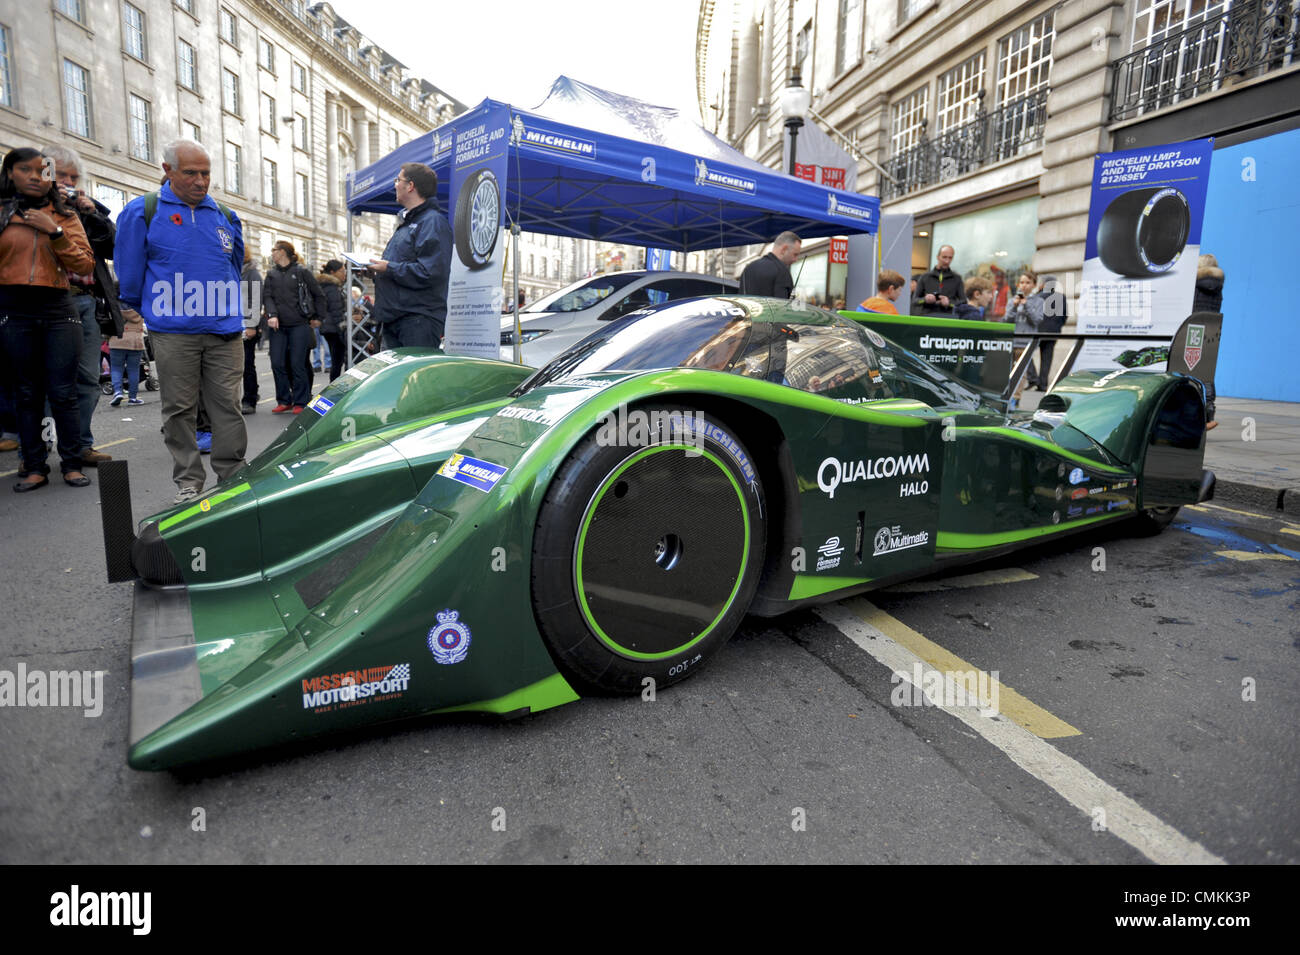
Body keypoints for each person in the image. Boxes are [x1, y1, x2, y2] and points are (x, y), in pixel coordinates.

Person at [114, 138, 247, 504]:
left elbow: (233, 267)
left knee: (227, 406)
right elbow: (129, 267)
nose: (200, 181)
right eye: (191, 173)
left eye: (205, 173)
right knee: (178, 409)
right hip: (173, 331)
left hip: (224, 329)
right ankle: (188, 480)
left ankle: (233, 476)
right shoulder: (143, 211)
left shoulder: (226, 215)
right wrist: (134, 309)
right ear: (168, 170)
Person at [0, 147, 96, 491]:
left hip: (57, 308)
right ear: (10, 173)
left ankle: (71, 464)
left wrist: (54, 231)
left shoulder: (64, 214)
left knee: (63, 392)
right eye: (24, 169)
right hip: (14, 309)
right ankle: (35, 466)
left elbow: (85, 265)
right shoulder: (2, 213)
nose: (33, 175)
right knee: (26, 393)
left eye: (41, 170)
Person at [46, 144, 122, 467]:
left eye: (74, 177)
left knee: (89, 379)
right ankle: (35, 450)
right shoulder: (28, 206)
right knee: (45, 379)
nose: (68, 181)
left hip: (87, 303)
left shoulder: (86, 209)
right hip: (48, 303)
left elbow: (114, 244)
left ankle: (79, 446)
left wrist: (91, 212)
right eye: (61, 174)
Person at [370, 162, 452, 348]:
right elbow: (401, 270)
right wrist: (375, 271)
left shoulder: (433, 223)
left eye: (398, 180)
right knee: (396, 378)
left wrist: (388, 268)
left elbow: (429, 272)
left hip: (416, 321)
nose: (395, 185)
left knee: (417, 378)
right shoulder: (406, 225)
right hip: (395, 318)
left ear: (411, 186)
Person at [263, 240, 326, 412]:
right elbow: (267, 297)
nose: (272, 253)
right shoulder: (271, 274)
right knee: (277, 363)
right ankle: (284, 400)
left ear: (283, 252)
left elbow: (318, 295)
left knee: (297, 363)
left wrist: (318, 317)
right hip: (278, 326)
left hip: (299, 324)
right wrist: (272, 315)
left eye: (274, 250)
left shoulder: (301, 271)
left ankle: (301, 401)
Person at [1193, 253, 1223, 429]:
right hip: (1212, 333)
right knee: (1207, 374)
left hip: (1192, 332)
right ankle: (1208, 414)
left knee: (1188, 371)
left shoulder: (1195, 285)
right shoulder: (1218, 287)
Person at [1005, 271, 1043, 402]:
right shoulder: (1012, 300)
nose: (1024, 285)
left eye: (1028, 282)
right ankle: (1006, 395)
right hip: (1012, 341)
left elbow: (1037, 320)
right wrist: (1015, 306)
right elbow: (1007, 320)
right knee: (1007, 371)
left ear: (1034, 285)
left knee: (1020, 373)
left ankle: (1015, 399)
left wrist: (1026, 305)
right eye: (1022, 282)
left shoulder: (1038, 301)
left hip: (1026, 342)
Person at [739, 231, 800, 298]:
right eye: (795, 254)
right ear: (784, 249)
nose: (795, 259)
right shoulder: (782, 271)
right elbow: (782, 305)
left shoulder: (748, 268)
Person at [1033, 275, 1067, 390]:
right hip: (1053, 332)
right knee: (1047, 359)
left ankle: (1033, 378)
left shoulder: (1037, 297)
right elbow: (1064, 316)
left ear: (1043, 284)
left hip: (1037, 331)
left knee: (1026, 355)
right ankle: (1042, 384)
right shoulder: (1061, 297)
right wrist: (1057, 326)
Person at [240, 246, 263, 414]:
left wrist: (252, 325)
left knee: (247, 364)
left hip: (247, 324)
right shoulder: (231, 270)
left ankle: (250, 398)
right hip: (231, 323)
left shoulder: (252, 273)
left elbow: (256, 300)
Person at [107, 309, 146, 406]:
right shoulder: (139, 307)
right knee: (133, 370)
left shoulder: (114, 307)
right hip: (136, 341)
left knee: (116, 368)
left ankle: (118, 392)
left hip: (117, 339)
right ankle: (132, 398)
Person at [317, 259, 348, 382]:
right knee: (337, 361)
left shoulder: (324, 286)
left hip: (327, 327)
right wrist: (342, 329)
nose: (344, 274)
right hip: (334, 328)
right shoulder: (332, 288)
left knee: (336, 361)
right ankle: (335, 388)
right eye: (341, 271)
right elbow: (336, 311)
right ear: (332, 272)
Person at [916, 245, 965, 317]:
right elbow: (914, 300)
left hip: (948, 318)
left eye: (950, 258)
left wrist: (949, 303)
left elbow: (963, 302)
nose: (947, 261)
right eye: (944, 257)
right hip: (927, 317)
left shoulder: (957, 278)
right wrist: (925, 299)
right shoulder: (925, 277)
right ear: (938, 257)